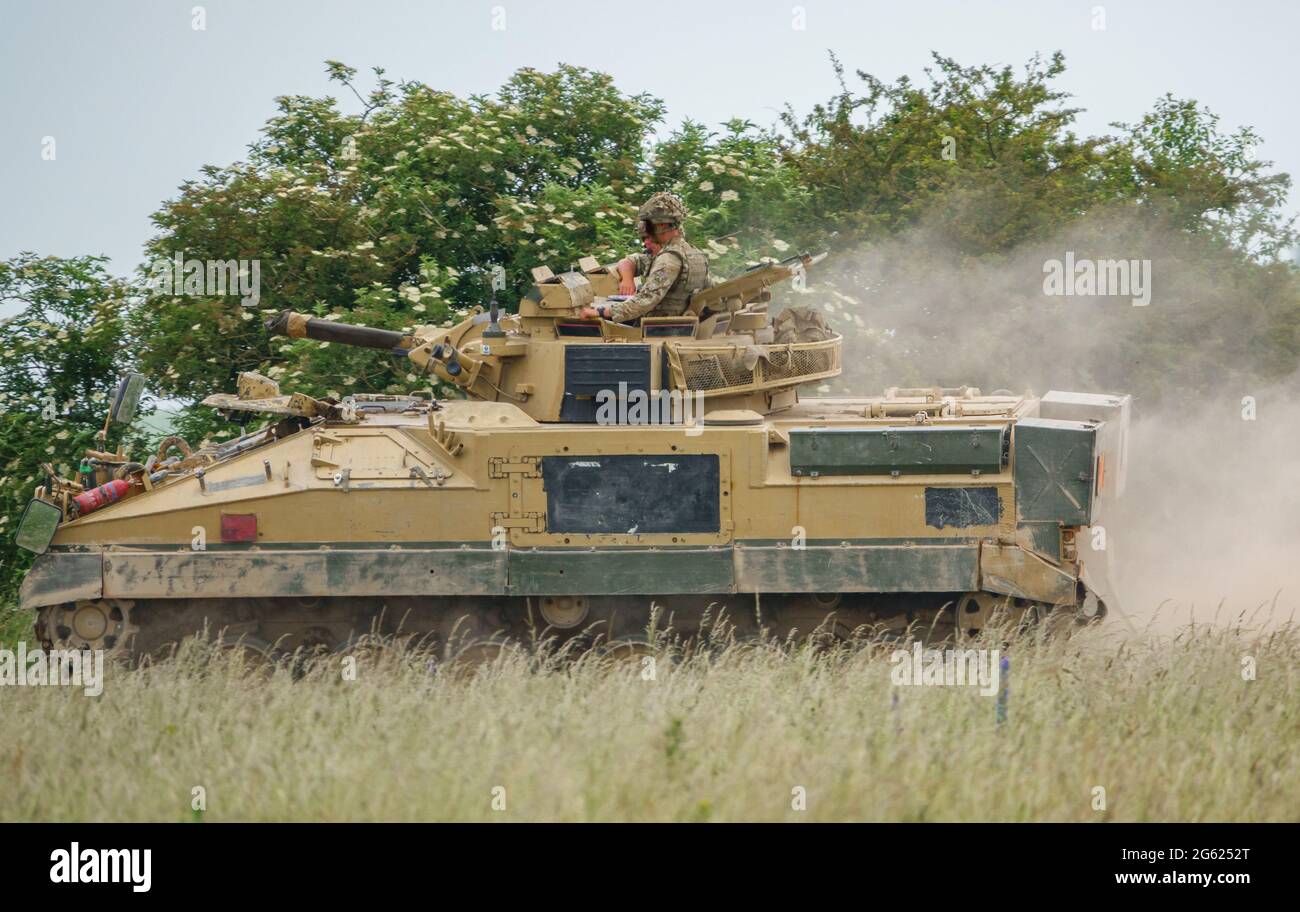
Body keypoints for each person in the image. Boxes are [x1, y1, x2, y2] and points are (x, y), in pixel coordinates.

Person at [581, 192, 711, 323]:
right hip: (680, 326)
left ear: (661, 225)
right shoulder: (695, 254)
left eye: (648, 225)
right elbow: (709, 291)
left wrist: (602, 311)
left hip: (657, 328)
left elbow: (646, 299)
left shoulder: (668, 259)